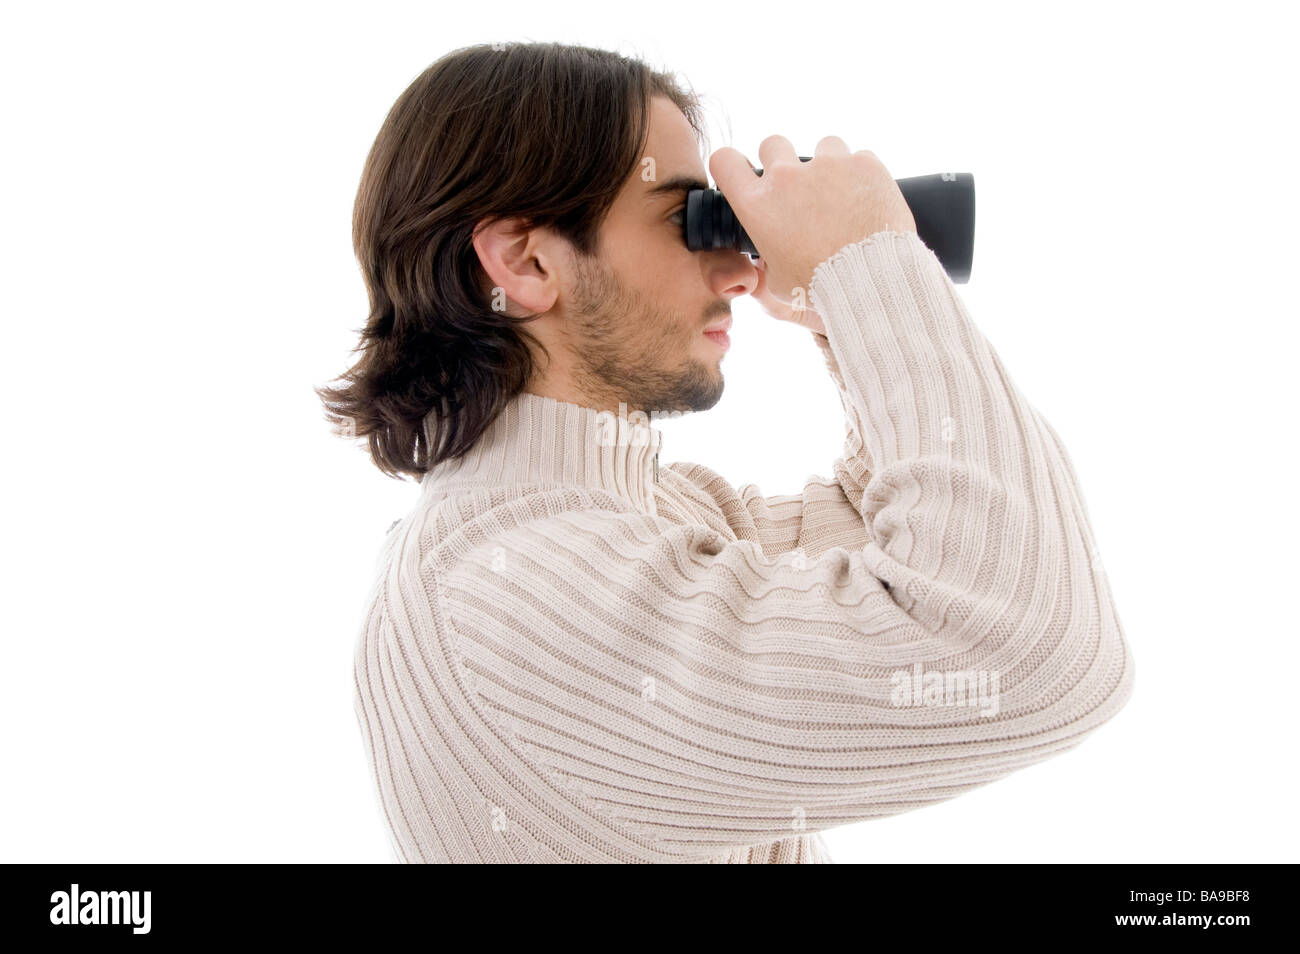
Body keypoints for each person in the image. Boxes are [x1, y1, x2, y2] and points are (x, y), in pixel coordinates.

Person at [318, 41, 1134, 864]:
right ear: (525, 262)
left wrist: (837, 302)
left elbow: (907, 525)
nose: (738, 270)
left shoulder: (629, 523)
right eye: (687, 218)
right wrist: (867, 263)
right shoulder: (516, 592)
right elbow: (1028, 648)